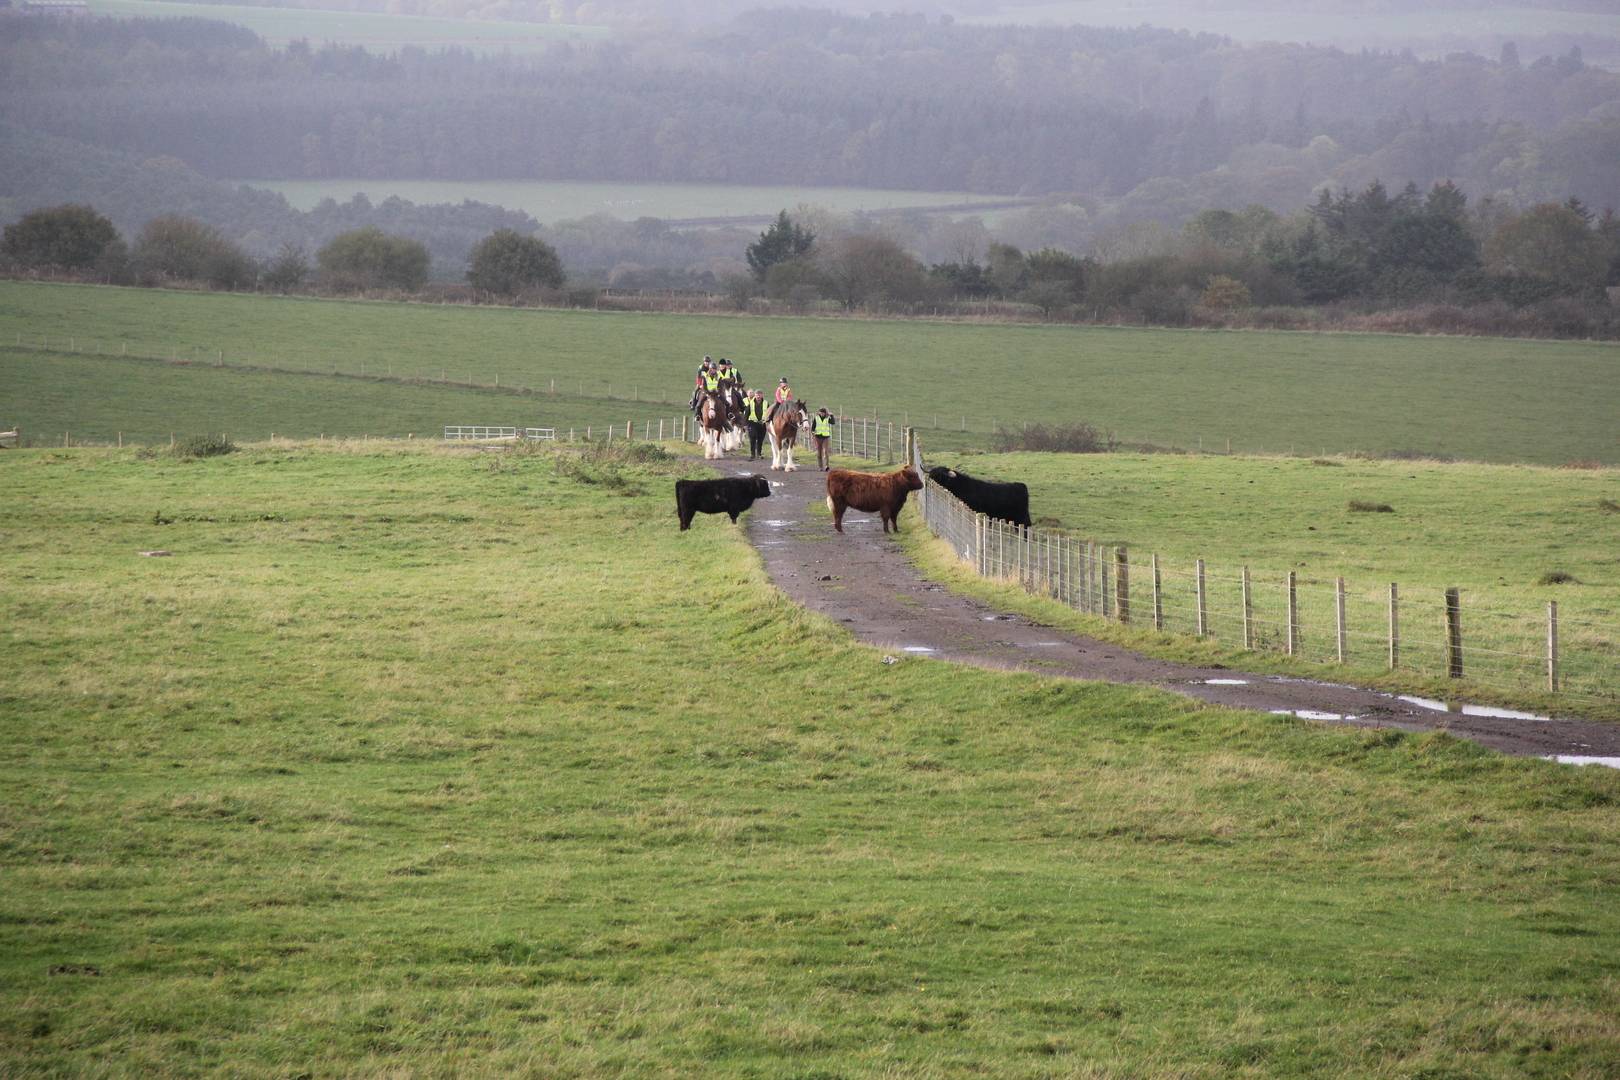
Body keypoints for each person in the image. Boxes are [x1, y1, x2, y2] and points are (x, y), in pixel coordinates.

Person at [745, 389, 768, 460]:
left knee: (760, 439)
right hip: (752, 423)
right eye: (757, 395)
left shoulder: (766, 403)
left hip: (762, 423)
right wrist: (745, 424)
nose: (758, 396)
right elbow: (746, 413)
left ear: (762, 395)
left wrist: (768, 423)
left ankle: (759, 454)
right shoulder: (751, 403)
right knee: (752, 438)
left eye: (760, 394)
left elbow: (769, 413)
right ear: (755, 395)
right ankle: (752, 454)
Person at [811, 406, 837, 471]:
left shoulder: (828, 418)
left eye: (823, 413)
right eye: (821, 413)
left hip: (826, 437)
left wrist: (832, 415)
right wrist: (813, 434)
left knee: (826, 451)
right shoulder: (816, 418)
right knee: (819, 452)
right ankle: (820, 467)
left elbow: (833, 422)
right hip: (818, 437)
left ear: (825, 413)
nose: (822, 414)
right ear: (819, 413)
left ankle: (827, 466)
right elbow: (813, 427)